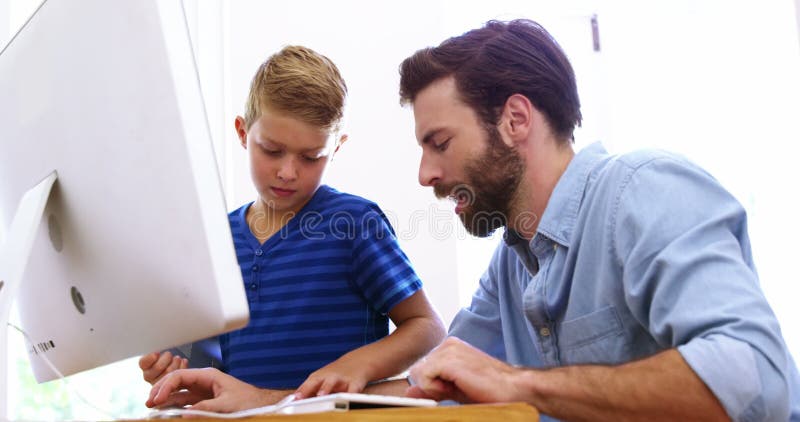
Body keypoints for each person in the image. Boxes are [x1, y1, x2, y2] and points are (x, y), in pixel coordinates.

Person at [145, 21, 800, 421]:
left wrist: (517, 383)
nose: (425, 175)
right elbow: (434, 389)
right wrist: (255, 401)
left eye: (438, 142)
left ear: (516, 120)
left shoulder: (644, 191)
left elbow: (756, 377)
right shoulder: (513, 267)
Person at [139, 45, 445, 404]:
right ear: (242, 132)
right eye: (271, 150)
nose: (288, 172)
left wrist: (357, 365)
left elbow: (427, 326)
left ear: (336, 148)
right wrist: (175, 370)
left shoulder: (354, 224)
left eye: (311, 157)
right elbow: (217, 366)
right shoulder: (217, 241)